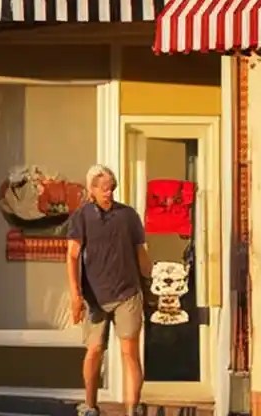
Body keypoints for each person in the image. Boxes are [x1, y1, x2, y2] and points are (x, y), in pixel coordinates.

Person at [67, 165, 153, 416]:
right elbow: (72, 256)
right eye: (104, 188)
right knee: (94, 350)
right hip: (94, 297)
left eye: (112, 188)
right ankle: (90, 405)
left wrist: (151, 284)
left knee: (129, 352)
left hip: (128, 292)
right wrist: (75, 295)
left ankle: (132, 408)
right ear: (92, 189)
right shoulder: (82, 217)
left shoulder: (128, 215)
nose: (109, 192)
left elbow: (141, 253)